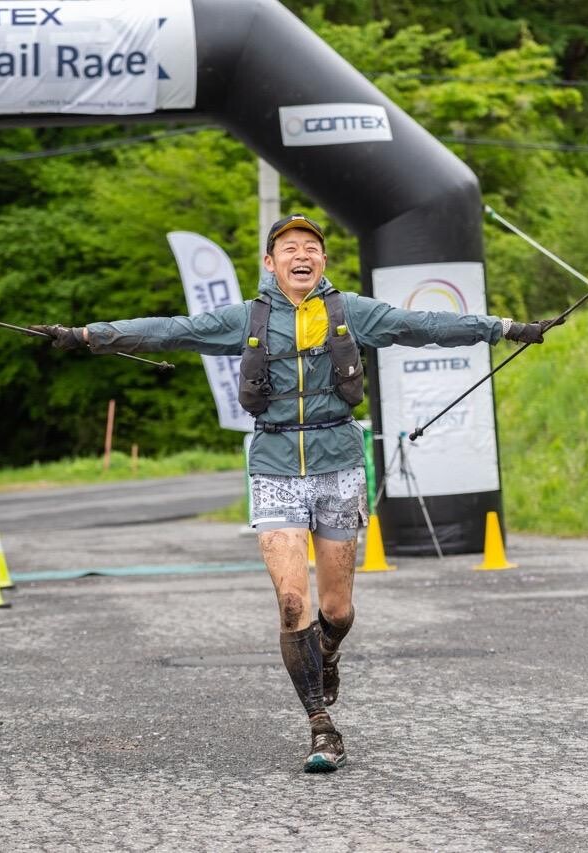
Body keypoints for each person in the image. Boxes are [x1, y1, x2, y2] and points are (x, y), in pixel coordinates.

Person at [32, 213, 560, 773]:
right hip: (275, 466)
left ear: (323, 261)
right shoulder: (249, 318)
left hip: (338, 464)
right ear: (270, 262)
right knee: (291, 603)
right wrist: (87, 336)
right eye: (289, 248)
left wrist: (504, 328)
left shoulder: (351, 313)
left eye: (311, 246)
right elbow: (173, 330)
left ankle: (326, 654)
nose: (300, 254)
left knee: (337, 609)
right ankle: (320, 726)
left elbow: (421, 323)